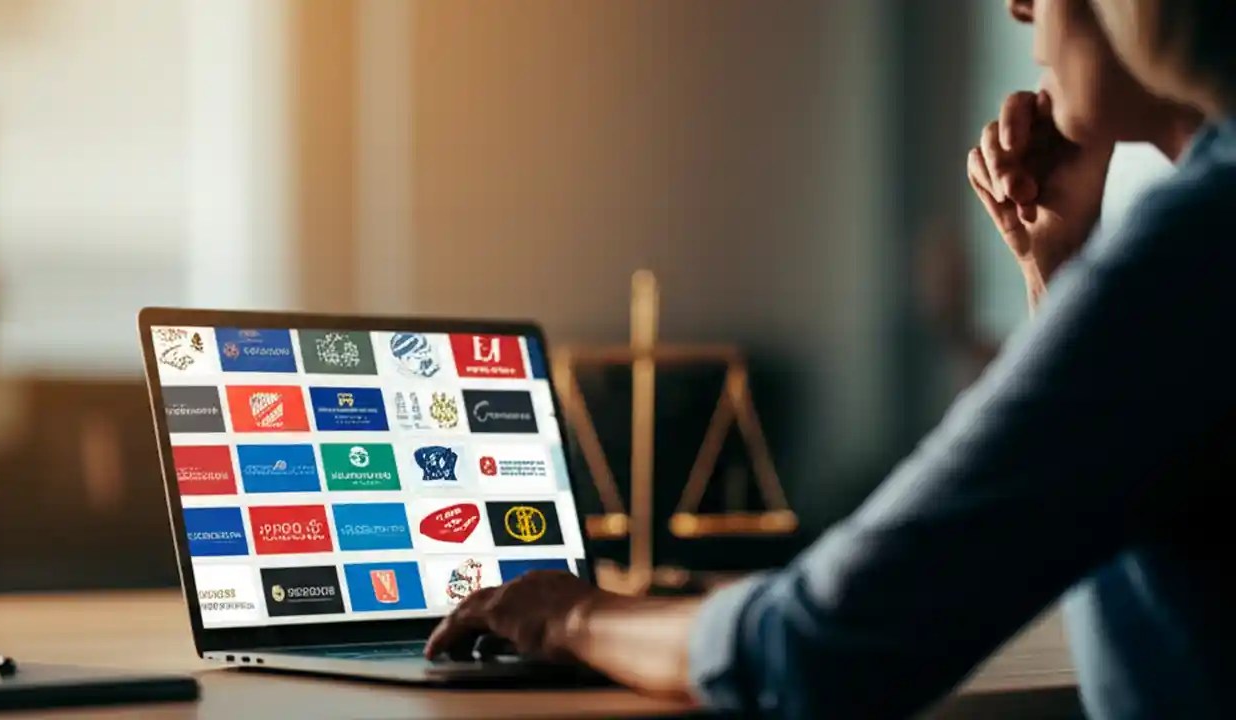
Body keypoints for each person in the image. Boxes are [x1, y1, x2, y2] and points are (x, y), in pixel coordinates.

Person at [426, 0, 1236, 716]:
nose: (1020, 6)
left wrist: (569, 617)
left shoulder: (1193, 255)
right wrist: (1061, 275)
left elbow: (817, 652)